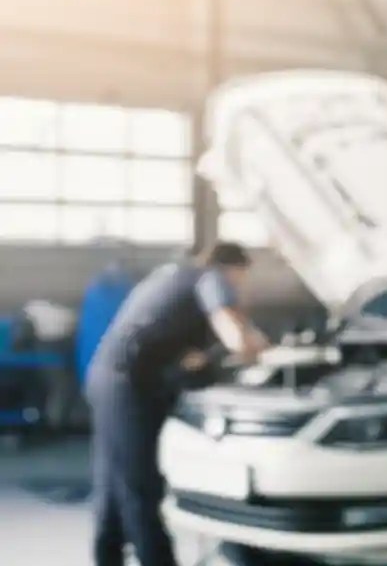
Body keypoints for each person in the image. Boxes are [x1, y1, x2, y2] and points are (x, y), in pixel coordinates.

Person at [86, 241, 271, 566]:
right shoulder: (211, 279)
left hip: (110, 379)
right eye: (242, 280)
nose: (242, 289)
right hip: (128, 385)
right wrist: (264, 349)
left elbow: (179, 352)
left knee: (116, 490)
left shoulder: (174, 276)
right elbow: (237, 338)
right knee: (140, 492)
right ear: (233, 269)